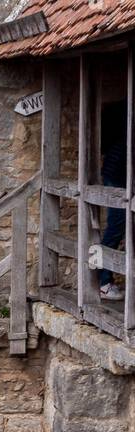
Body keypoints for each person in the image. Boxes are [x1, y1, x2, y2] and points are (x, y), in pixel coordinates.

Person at [98, 109, 127, 301]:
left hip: (119, 174)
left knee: (118, 226)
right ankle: (103, 283)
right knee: (116, 226)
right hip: (116, 175)